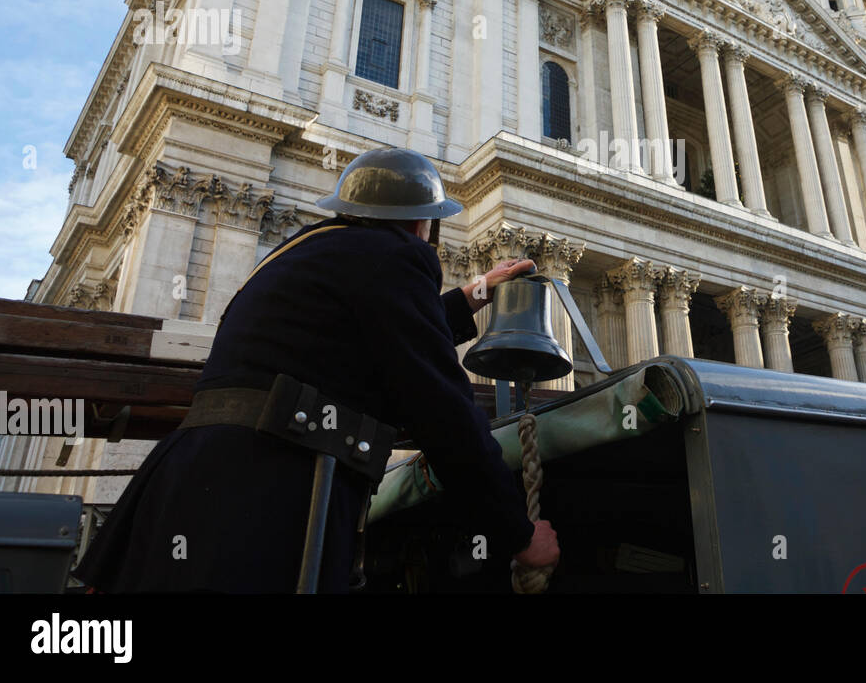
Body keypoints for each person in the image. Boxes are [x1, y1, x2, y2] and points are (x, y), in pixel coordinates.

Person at [74, 147, 558, 592]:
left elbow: (379, 327)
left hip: (186, 486)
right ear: (419, 225)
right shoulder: (396, 257)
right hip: (269, 498)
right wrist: (517, 531)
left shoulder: (306, 252)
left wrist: (477, 292)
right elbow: (445, 412)